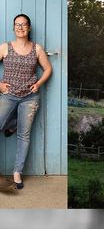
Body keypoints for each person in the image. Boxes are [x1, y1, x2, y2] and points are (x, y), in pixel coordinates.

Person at [0, 14, 52, 189]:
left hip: (30, 97)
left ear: (29, 28)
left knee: (24, 135)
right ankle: (12, 123)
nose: (20, 27)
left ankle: (17, 172)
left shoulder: (36, 48)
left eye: (23, 25)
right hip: (8, 95)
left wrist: (38, 84)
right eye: (17, 25)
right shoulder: (5, 47)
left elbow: (48, 69)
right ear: (13, 27)